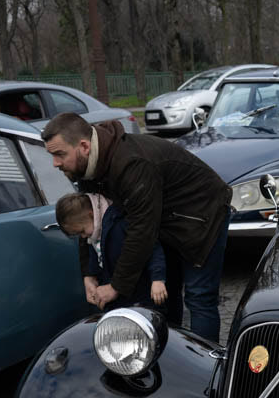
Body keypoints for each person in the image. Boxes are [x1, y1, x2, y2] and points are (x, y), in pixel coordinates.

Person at [42, 112, 232, 343]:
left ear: (83, 146)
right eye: (52, 156)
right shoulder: (88, 166)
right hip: (164, 220)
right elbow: (87, 215)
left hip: (201, 216)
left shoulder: (131, 164)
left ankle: (207, 367)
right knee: (165, 295)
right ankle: (168, 356)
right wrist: (89, 275)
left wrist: (116, 287)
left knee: (199, 296)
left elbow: (142, 229)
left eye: (60, 154)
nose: (55, 164)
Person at [56, 192, 169, 313]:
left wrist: (157, 279)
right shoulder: (93, 235)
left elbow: (151, 248)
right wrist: (92, 278)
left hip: (143, 297)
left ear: (91, 215)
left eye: (82, 231)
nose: (83, 237)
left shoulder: (121, 222)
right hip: (118, 302)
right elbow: (97, 261)